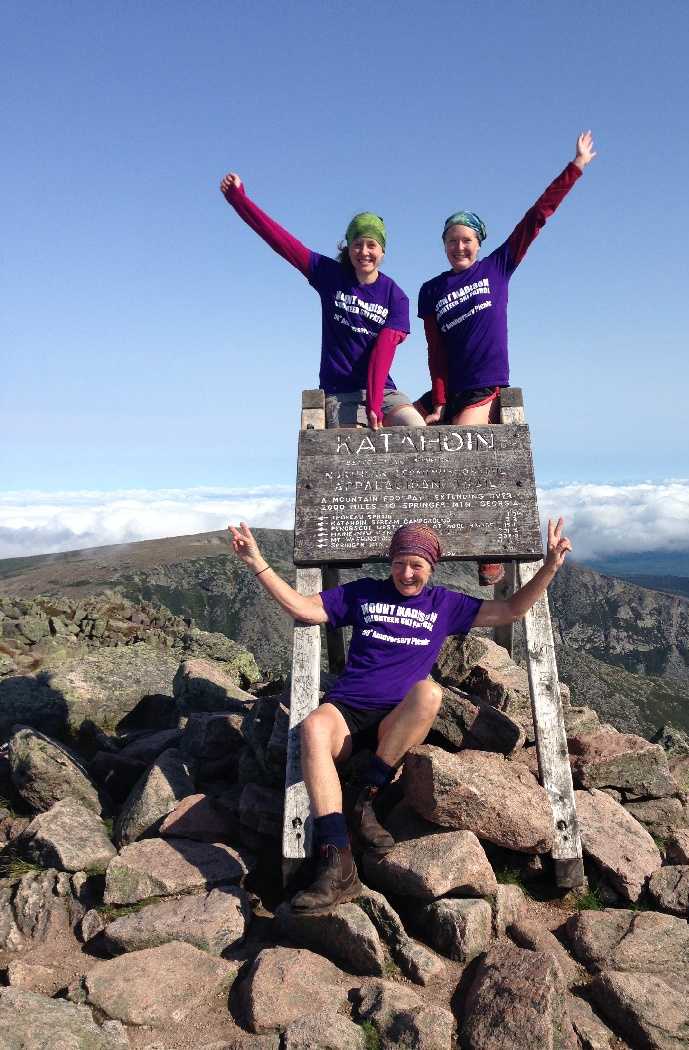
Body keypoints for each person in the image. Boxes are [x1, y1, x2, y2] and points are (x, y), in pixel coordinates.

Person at [228, 517, 572, 911]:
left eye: (416, 565)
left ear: (431, 568)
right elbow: (304, 609)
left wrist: (549, 567)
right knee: (313, 727)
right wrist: (256, 562)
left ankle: (363, 798)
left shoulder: (444, 605)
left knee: (429, 693)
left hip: (396, 719)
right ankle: (336, 860)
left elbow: (510, 609)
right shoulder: (363, 593)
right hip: (348, 710)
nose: (407, 574)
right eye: (399, 564)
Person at [414, 131, 596, 584]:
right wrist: (437, 401)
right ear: (443, 244)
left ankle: (488, 548)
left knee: (463, 451)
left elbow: (536, 218)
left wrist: (574, 168)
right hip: (449, 388)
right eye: (452, 240)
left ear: (478, 242)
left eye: (466, 240)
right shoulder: (431, 290)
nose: (459, 247)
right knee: (392, 429)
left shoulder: (496, 268)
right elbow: (435, 350)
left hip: (485, 386)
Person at [220, 173, 425, 431]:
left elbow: (384, 349)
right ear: (348, 248)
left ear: (382, 251)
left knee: (416, 427)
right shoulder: (330, 275)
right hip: (340, 394)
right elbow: (280, 241)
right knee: (355, 446)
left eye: (371, 245)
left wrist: (374, 405)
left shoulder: (395, 295)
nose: (364, 252)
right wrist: (239, 199)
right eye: (357, 244)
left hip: (382, 392)